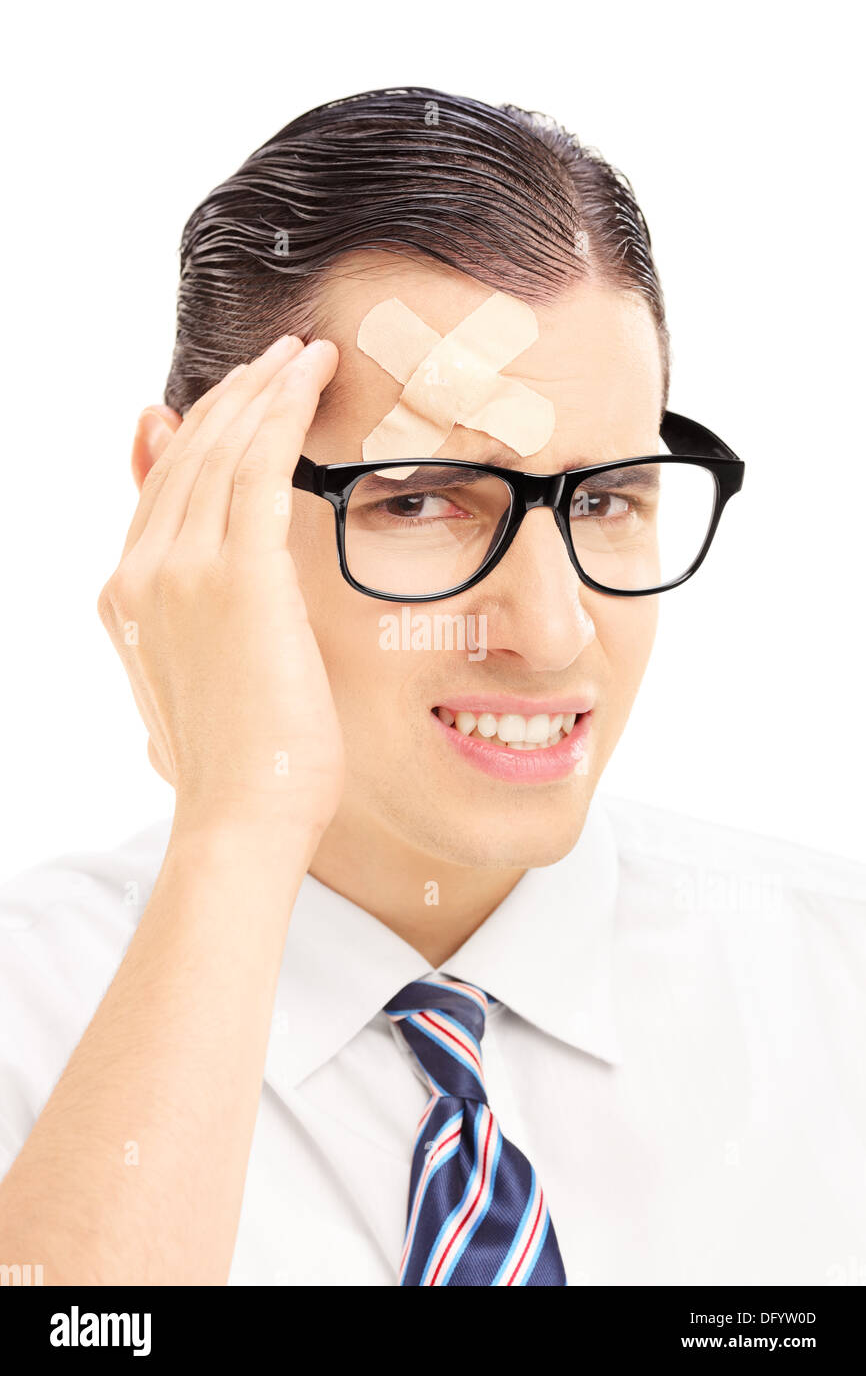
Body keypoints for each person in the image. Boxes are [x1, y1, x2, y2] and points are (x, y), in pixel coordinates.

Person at [0, 87, 863, 1287]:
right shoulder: (27, 1020)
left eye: (607, 497)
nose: (554, 632)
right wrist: (238, 826)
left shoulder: (834, 991)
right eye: (419, 500)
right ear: (186, 495)